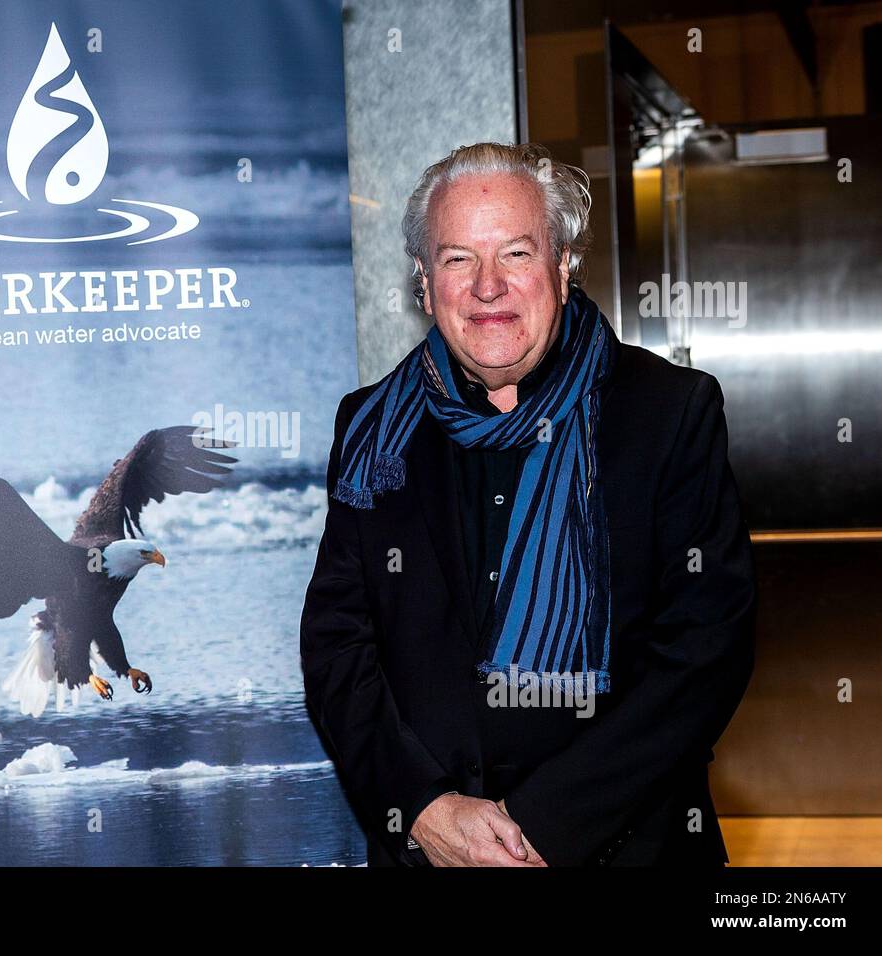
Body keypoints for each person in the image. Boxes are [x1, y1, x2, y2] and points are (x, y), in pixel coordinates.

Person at [299, 142, 756, 867]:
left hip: (625, 850)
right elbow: (336, 648)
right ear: (423, 281)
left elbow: (706, 651)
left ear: (563, 265)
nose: (488, 287)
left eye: (514, 253)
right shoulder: (370, 427)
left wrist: (540, 826)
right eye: (456, 259)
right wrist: (421, 808)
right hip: (430, 853)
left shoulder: (667, 412)